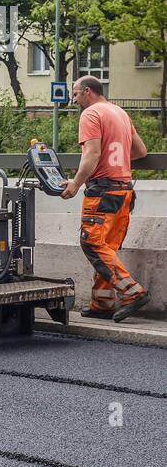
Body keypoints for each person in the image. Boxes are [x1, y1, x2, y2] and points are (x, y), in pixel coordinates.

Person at [60, 75, 151, 321]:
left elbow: (91, 153)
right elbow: (140, 151)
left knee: (91, 243)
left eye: (76, 94)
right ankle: (102, 303)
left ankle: (133, 293)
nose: (74, 99)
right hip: (123, 190)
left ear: (88, 91)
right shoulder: (120, 113)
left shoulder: (90, 115)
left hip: (102, 190)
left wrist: (75, 183)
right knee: (106, 246)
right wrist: (117, 161)